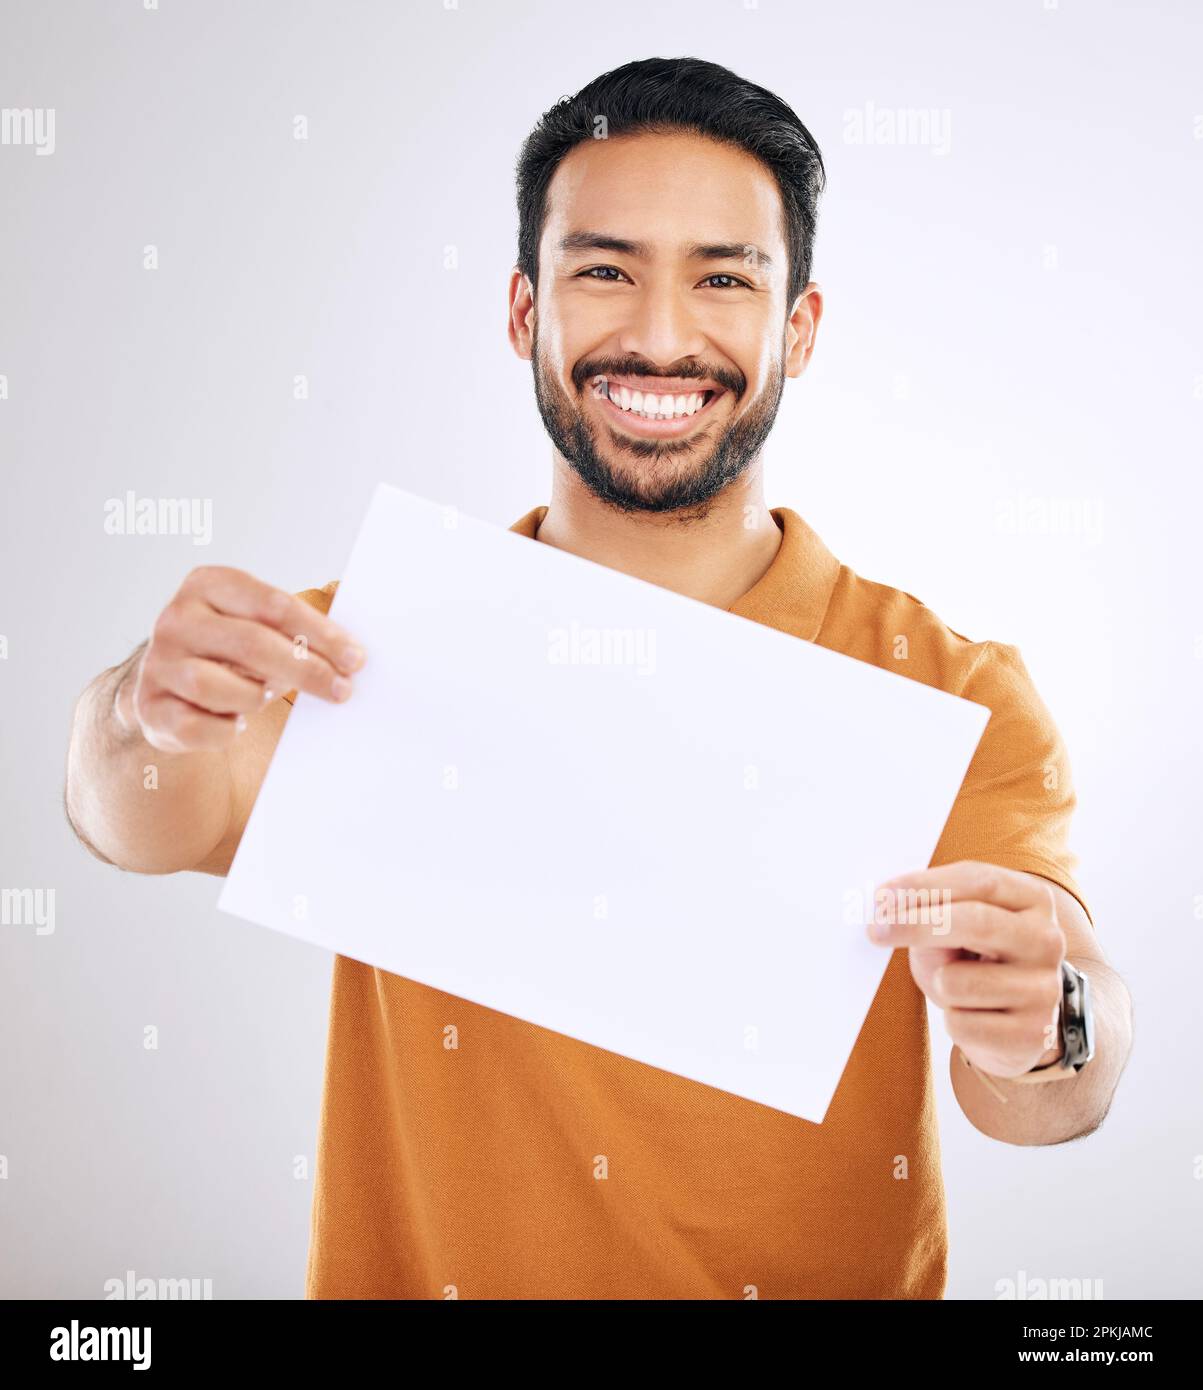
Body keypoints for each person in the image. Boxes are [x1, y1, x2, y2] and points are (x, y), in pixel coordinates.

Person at [65, 57, 1132, 1299]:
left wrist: (1051, 1025)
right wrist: (144, 701)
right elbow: (128, 819)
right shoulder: (363, 645)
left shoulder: (951, 693)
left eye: (723, 278)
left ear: (799, 327)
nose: (664, 336)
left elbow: (1048, 1093)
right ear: (527, 312)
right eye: (605, 269)